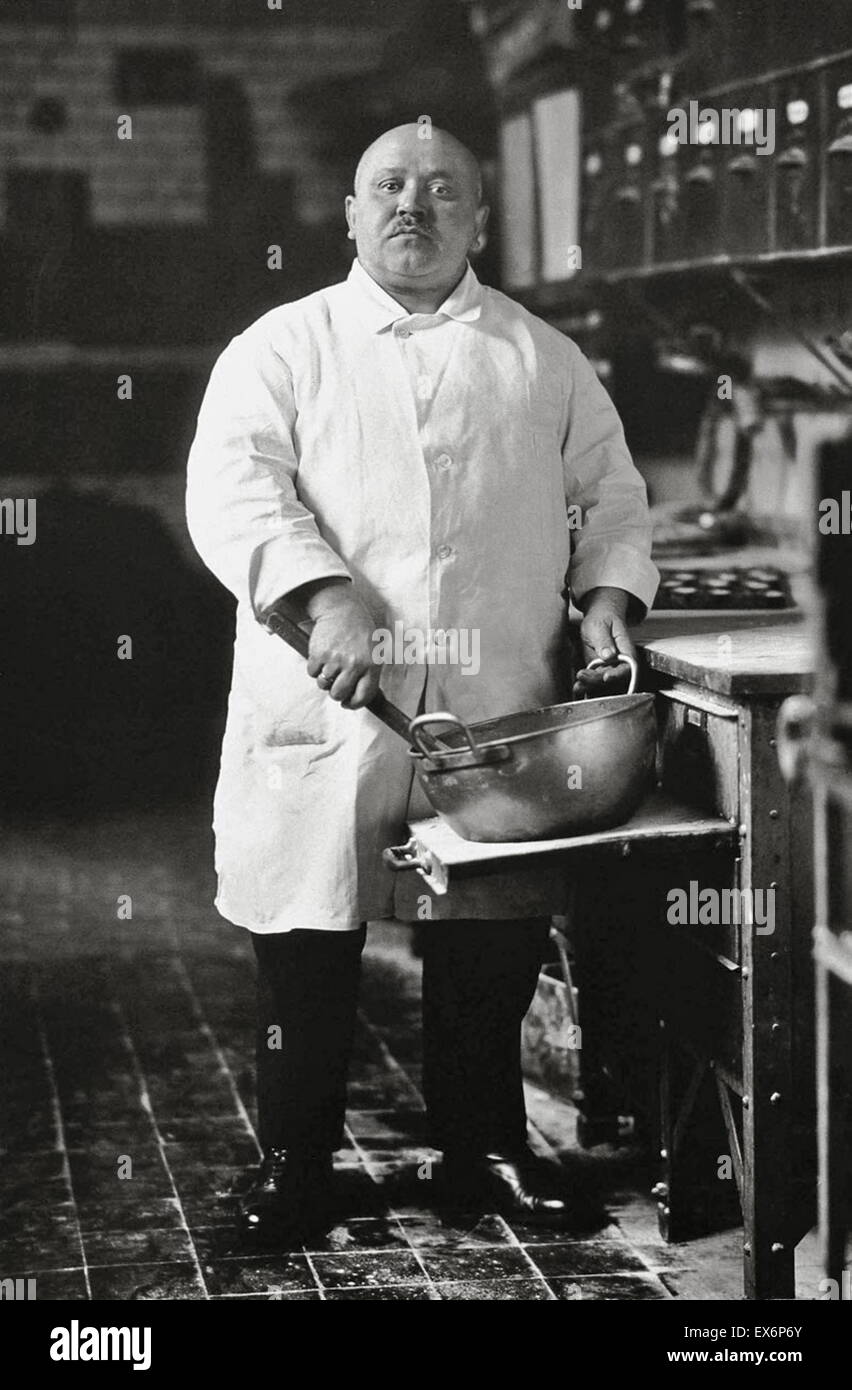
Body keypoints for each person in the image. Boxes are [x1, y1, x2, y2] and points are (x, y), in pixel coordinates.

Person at [186, 124, 658, 1242]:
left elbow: (614, 498)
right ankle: (295, 1161)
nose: (415, 205)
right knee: (307, 932)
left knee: (487, 938)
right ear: (350, 214)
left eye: (444, 190)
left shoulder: (541, 355)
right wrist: (322, 595)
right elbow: (235, 494)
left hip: (495, 698)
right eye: (388, 187)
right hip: (330, 696)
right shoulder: (282, 346)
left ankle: (483, 1150)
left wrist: (607, 598)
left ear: (479, 220)